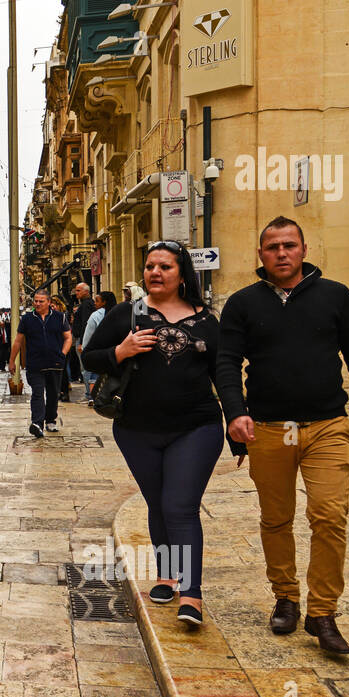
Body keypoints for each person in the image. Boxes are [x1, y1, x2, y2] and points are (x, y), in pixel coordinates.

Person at [216, 216, 349, 655]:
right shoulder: (242, 303)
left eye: (289, 245)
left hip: (327, 426)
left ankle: (323, 611)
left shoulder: (335, 296)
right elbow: (226, 363)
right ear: (261, 254)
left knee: (329, 515)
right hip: (271, 430)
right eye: (272, 246)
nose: (281, 253)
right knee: (276, 519)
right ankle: (286, 598)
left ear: (303, 249)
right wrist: (235, 415)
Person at [84, 242, 238, 628]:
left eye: (165, 266)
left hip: (197, 427)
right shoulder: (127, 315)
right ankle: (166, 576)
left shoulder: (207, 322)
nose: (155, 272)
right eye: (150, 266)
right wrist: (121, 350)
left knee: (180, 506)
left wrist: (237, 424)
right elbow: (88, 357)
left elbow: (225, 376)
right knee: (158, 502)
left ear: (182, 273)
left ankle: (192, 594)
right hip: (137, 430)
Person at [9, 290, 72, 438]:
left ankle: (50, 420)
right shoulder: (27, 319)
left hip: (55, 363)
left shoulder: (60, 317)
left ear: (49, 302)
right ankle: (37, 423)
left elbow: (68, 337)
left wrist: (62, 353)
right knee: (37, 393)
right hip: (35, 364)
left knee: (52, 393)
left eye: (41, 301)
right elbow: (18, 341)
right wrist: (12, 361)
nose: (37, 304)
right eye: (35, 301)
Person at [82, 291, 117, 400]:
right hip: (114, 351)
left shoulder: (96, 315)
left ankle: (93, 397)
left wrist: (85, 348)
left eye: (97, 301)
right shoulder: (117, 312)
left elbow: (88, 334)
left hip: (98, 351)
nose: (94, 303)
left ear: (104, 302)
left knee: (93, 375)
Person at [68, 283, 96, 392]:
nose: (76, 293)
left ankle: (89, 393)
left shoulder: (86, 305)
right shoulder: (85, 304)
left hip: (83, 340)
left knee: (85, 368)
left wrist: (82, 343)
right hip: (82, 339)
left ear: (86, 291)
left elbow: (86, 323)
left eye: (79, 290)